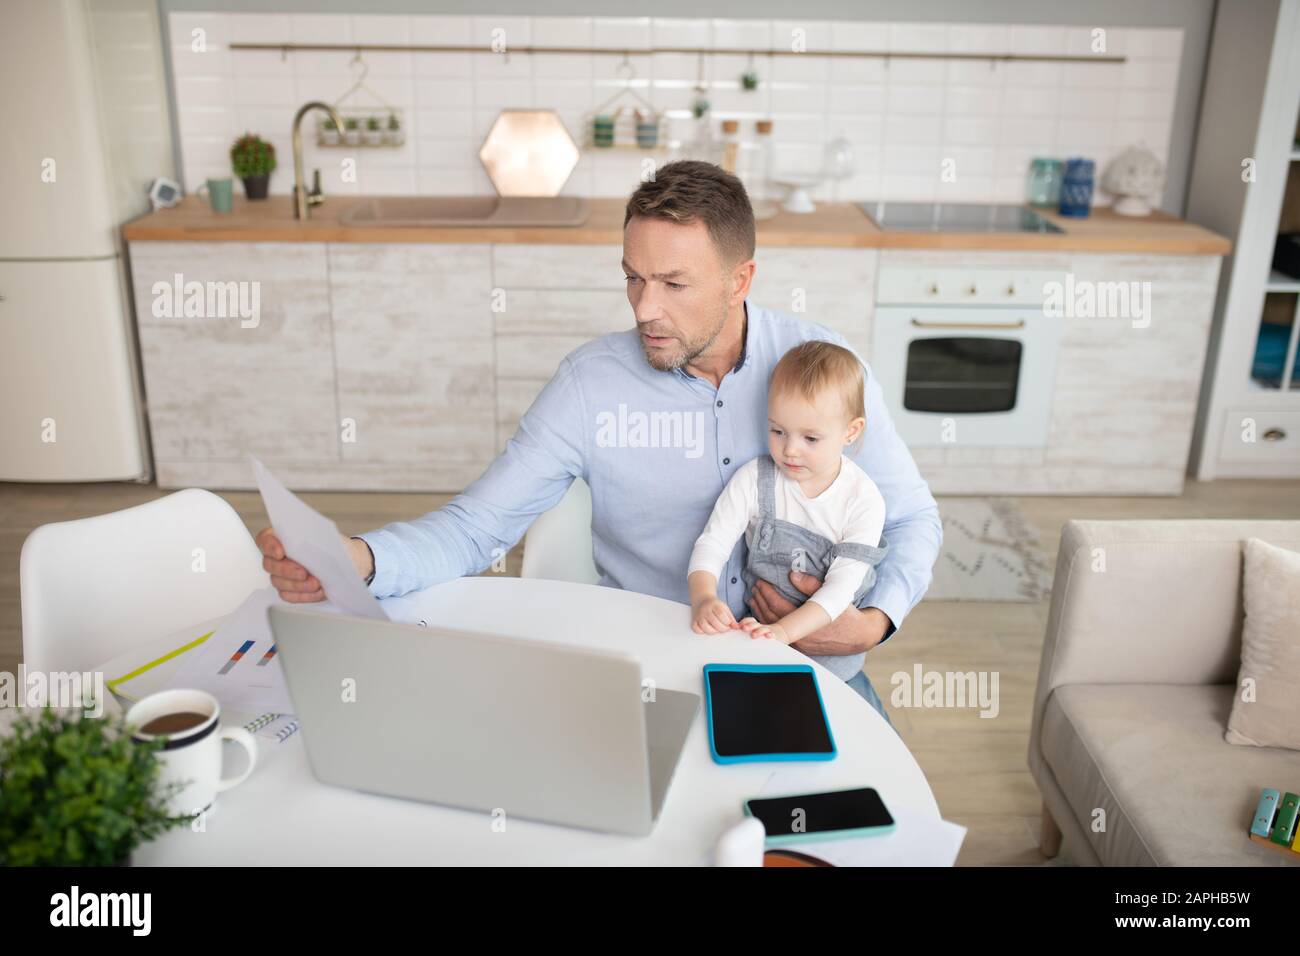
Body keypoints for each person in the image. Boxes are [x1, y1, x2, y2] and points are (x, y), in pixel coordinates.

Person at [257, 159, 942, 723]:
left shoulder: (823, 364)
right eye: (633, 278)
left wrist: (872, 623)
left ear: (742, 280)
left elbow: (913, 516)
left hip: (813, 670)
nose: (645, 308)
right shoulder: (590, 386)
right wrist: (359, 559)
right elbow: (476, 530)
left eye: (674, 284)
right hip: (654, 677)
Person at [688, 340, 887, 665]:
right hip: (760, 638)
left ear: (850, 432)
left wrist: (784, 631)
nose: (790, 450)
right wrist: (703, 597)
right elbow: (713, 542)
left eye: (810, 438)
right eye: (778, 431)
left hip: (832, 652)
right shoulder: (754, 479)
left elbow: (840, 589)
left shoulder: (863, 501)